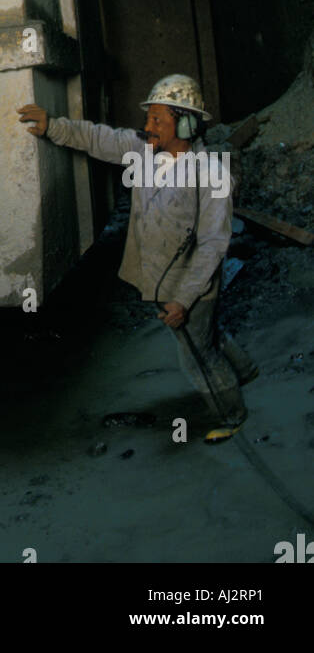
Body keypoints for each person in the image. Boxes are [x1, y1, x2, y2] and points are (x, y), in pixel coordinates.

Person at [17, 75, 257, 443]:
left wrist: (183, 300)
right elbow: (101, 139)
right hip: (161, 278)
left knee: (196, 355)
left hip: (191, 286)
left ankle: (232, 414)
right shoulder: (144, 151)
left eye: (157, 119)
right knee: (204, 333)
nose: (147, 127)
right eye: (148, 118)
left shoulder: (212, 174)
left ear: (188, 124)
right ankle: (246, 369)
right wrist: (54, 126)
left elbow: (212, 245)